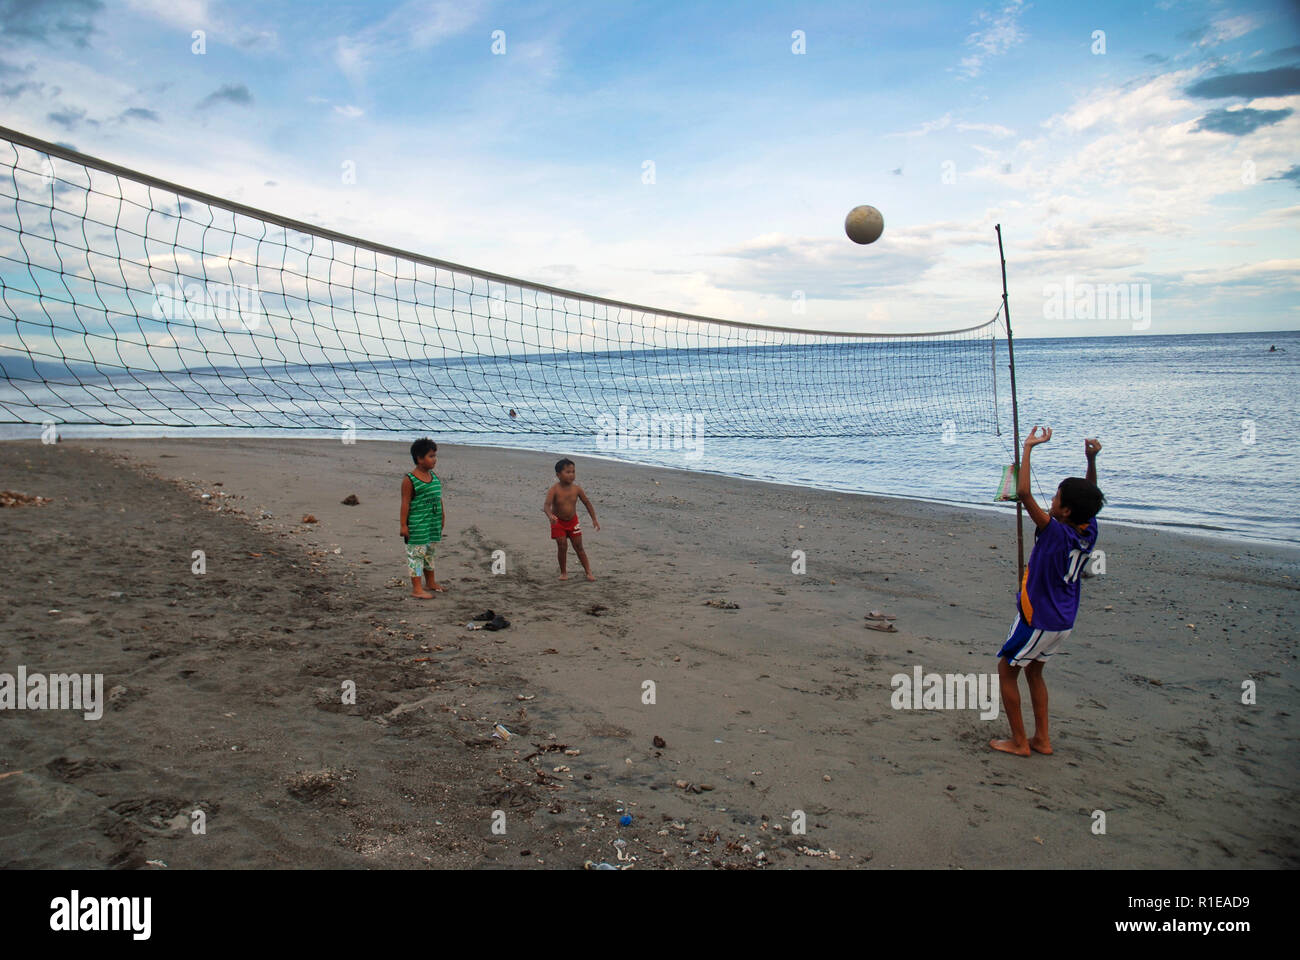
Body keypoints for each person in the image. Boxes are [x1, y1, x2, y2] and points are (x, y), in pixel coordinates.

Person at [990, 428, 1104, 757]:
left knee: (1006, 669)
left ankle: (1019, 742)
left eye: (1055, 498)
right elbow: (1090, 495)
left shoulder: (1055, 533)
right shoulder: (1088, 528)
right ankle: (1042, 739)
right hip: (1063, 620)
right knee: (1035, 672)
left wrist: (1028, 449)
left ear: (1065, 511)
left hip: (1038, 617)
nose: (1051, 501)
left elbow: (1024, 493)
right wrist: (1091, 460)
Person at [400, 437, 445, 598]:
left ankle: (431, 582)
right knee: (416, 555)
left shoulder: (434, 477)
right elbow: (405, 503)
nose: (434, 459)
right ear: (419, 459)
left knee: (429, 554)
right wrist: (403, 525)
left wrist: (442, 518)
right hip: (417, 524)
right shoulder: (410, 480)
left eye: (434, 456)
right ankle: (417, 588)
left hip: (432, 524)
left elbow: (439, 499)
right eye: (430, 456)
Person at [544, 458, 599, 580]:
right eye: (568, 472)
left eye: (573, 472)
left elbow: (587, 503)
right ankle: (563, 572)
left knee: (579, 547)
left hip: (573, 521)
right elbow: (546, 506)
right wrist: (550, 516)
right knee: (562, 546)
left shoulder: (577, 489)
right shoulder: (554, 489)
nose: (571, 475)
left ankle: (588, 572)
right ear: (558, 475)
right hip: (557, 522)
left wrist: (594, 519)